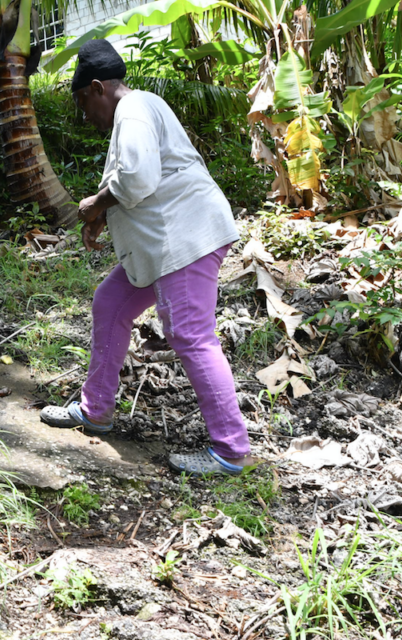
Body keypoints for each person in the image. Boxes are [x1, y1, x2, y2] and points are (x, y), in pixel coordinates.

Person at [39, 38, 255, 475]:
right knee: (110, 303)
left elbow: (135, 179)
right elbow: (136, 181)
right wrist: (104, 213)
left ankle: (231, 450)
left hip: (184, 237)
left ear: (98, 88)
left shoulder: (133, 109)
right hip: (163, 243)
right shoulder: (135, 112)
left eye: (84, 102)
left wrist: (96, 205)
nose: (85, 114)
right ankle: (95, 409)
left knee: (190, 334)